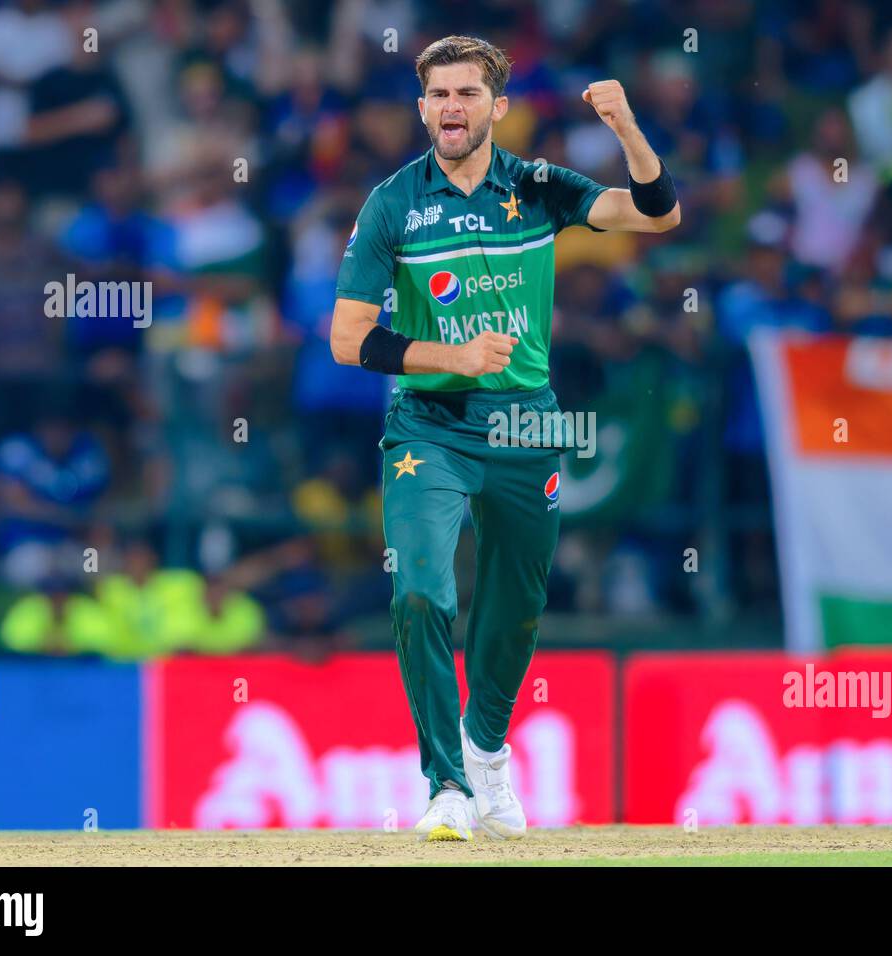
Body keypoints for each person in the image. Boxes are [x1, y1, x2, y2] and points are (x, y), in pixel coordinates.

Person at [330, 35, 680, 841]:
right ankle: (445, 783)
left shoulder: (538, 186)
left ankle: (486, 750)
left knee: (517, 603)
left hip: (528, 422)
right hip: (430, 425)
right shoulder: (392, 203)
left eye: (466, 94)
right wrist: (449, 356)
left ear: (497, 108)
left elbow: (659, 215)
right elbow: (349, 338)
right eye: (438, 96)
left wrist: (627, 128)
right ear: (422, 108)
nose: (451, 108)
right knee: (421, 590)